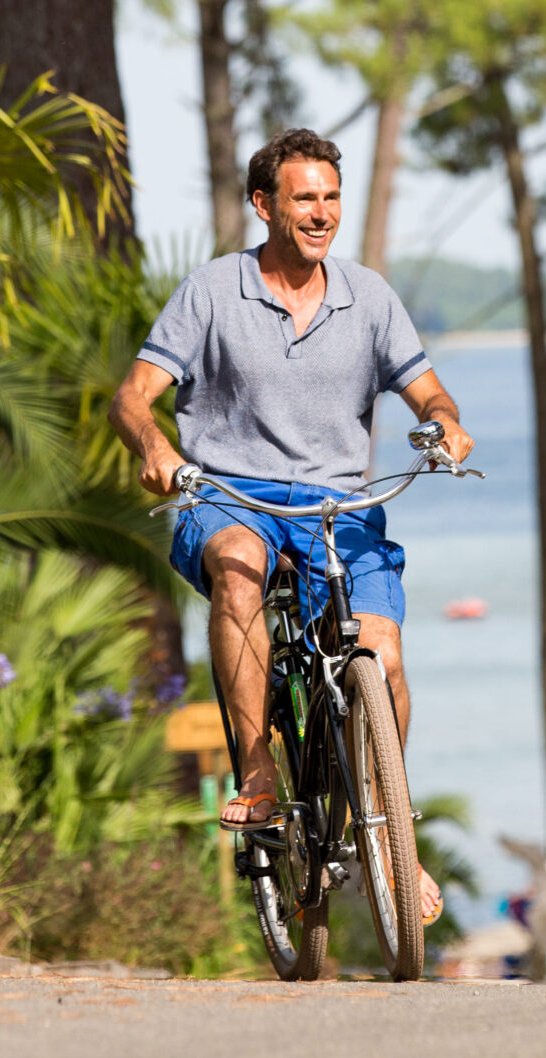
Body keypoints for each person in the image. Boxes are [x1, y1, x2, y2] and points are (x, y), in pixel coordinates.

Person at [111, 128, 473, 927]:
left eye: (332, 196)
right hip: (231, 495)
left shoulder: (368, 296)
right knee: (236, 563)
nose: (321, 212)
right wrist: (156, 445)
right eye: (304, 197)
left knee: (382, 650)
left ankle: (388, 833)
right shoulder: (211, 290)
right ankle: (256, 771)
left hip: (338, 508)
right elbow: (132, 395)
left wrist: (446, 424)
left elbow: (429, 393)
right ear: (264, 203)